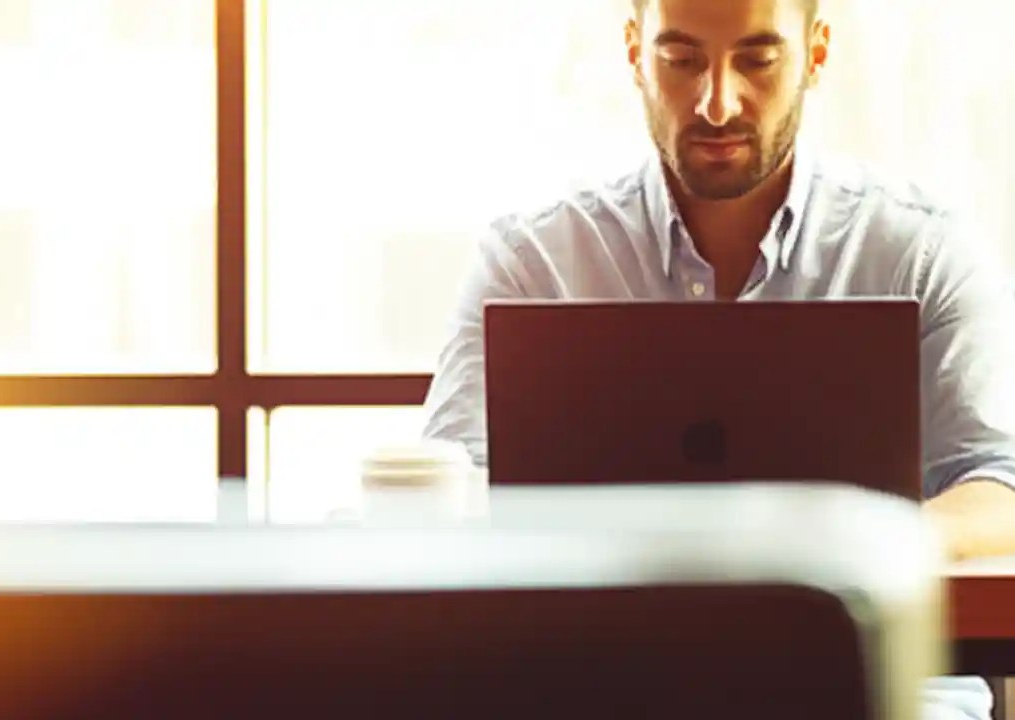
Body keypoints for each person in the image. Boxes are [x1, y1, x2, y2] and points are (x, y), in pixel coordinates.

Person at [421, 1, 1015, 717]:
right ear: (635, 51)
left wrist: (832, 548)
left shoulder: (921, 252)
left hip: (878, 687)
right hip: (600, 684)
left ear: (816, 54)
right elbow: (447, 488)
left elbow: (1000, 484)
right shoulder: (534, 261)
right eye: (681, 60)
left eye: (758, 60)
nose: (717, 102)